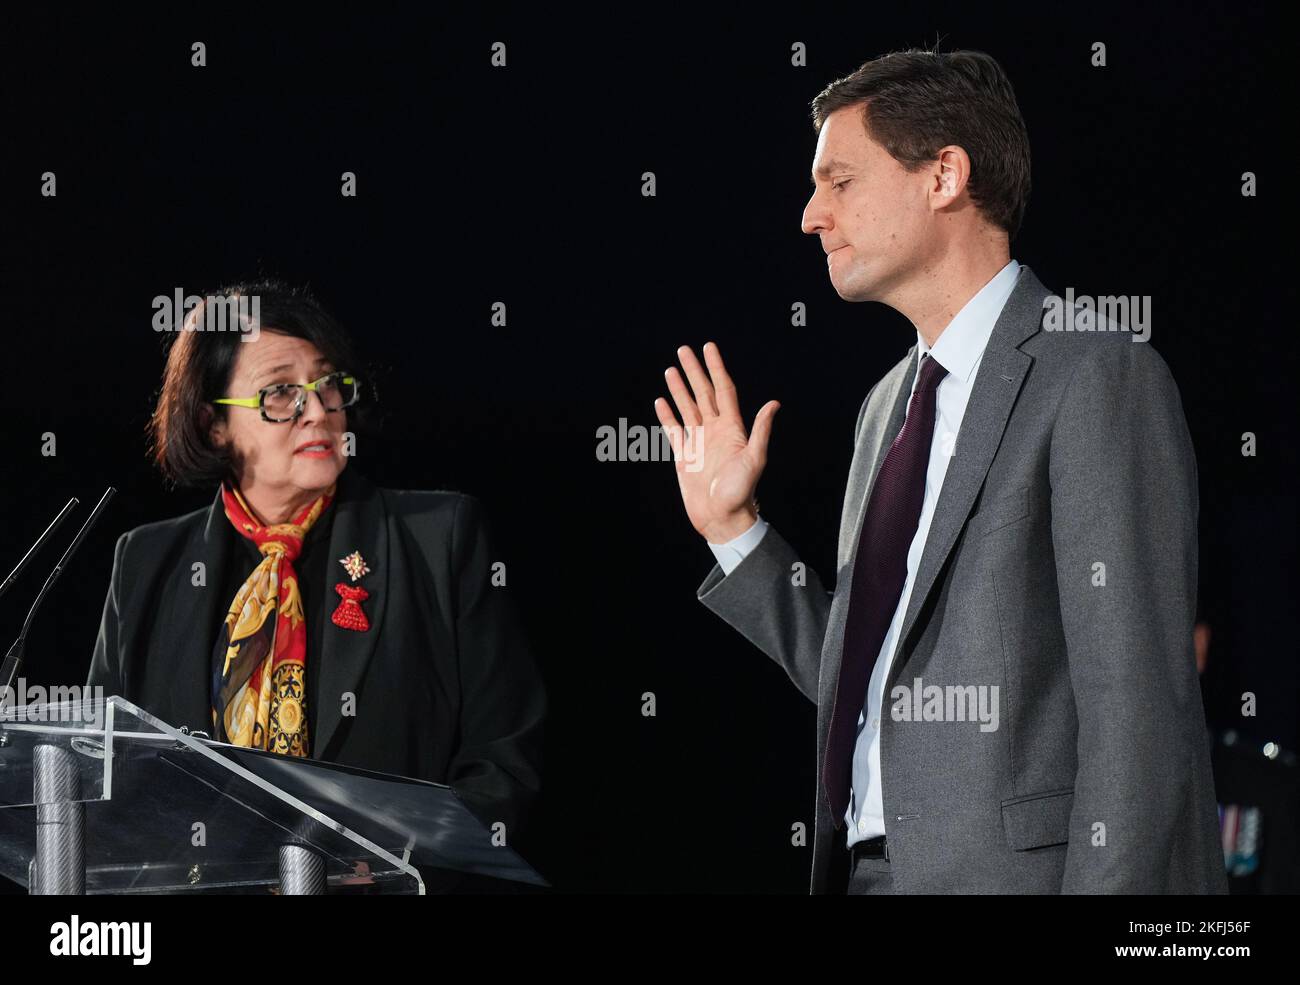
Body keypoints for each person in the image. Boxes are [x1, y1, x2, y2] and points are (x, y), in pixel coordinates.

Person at [653, 48, 1225, 894]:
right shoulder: (885, 408)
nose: (812, 215)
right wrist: (735, 533)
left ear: (945, 175)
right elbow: (877, 684)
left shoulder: (1095, 372)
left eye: (839, 182)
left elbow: (1139, 714)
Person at [87, 279, 545, 872]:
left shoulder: (439, 537)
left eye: (328, 384)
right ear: (212, 424)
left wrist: (397, 866)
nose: (320, 410)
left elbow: (503, 758)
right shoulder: (145, 563)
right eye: (280, 393)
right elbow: (101, 769)